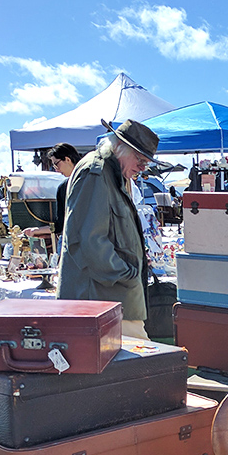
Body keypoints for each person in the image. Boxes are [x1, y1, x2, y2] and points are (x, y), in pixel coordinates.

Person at [57, 118, 164, 339]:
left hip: (112, 299)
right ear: (119, 147)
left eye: (146, 161)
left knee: (138, 365)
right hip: (103, 300)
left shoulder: (112, 172)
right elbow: (89, 240)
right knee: (139, 365)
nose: (143, 167)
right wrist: (127, 273)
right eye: (140, 159)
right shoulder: (95, 172)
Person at [47, 142, 80, 252]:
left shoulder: (92, 179)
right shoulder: (63, 187)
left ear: (67, 159)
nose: (56, 169)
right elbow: (60, 223)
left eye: (56, 164)